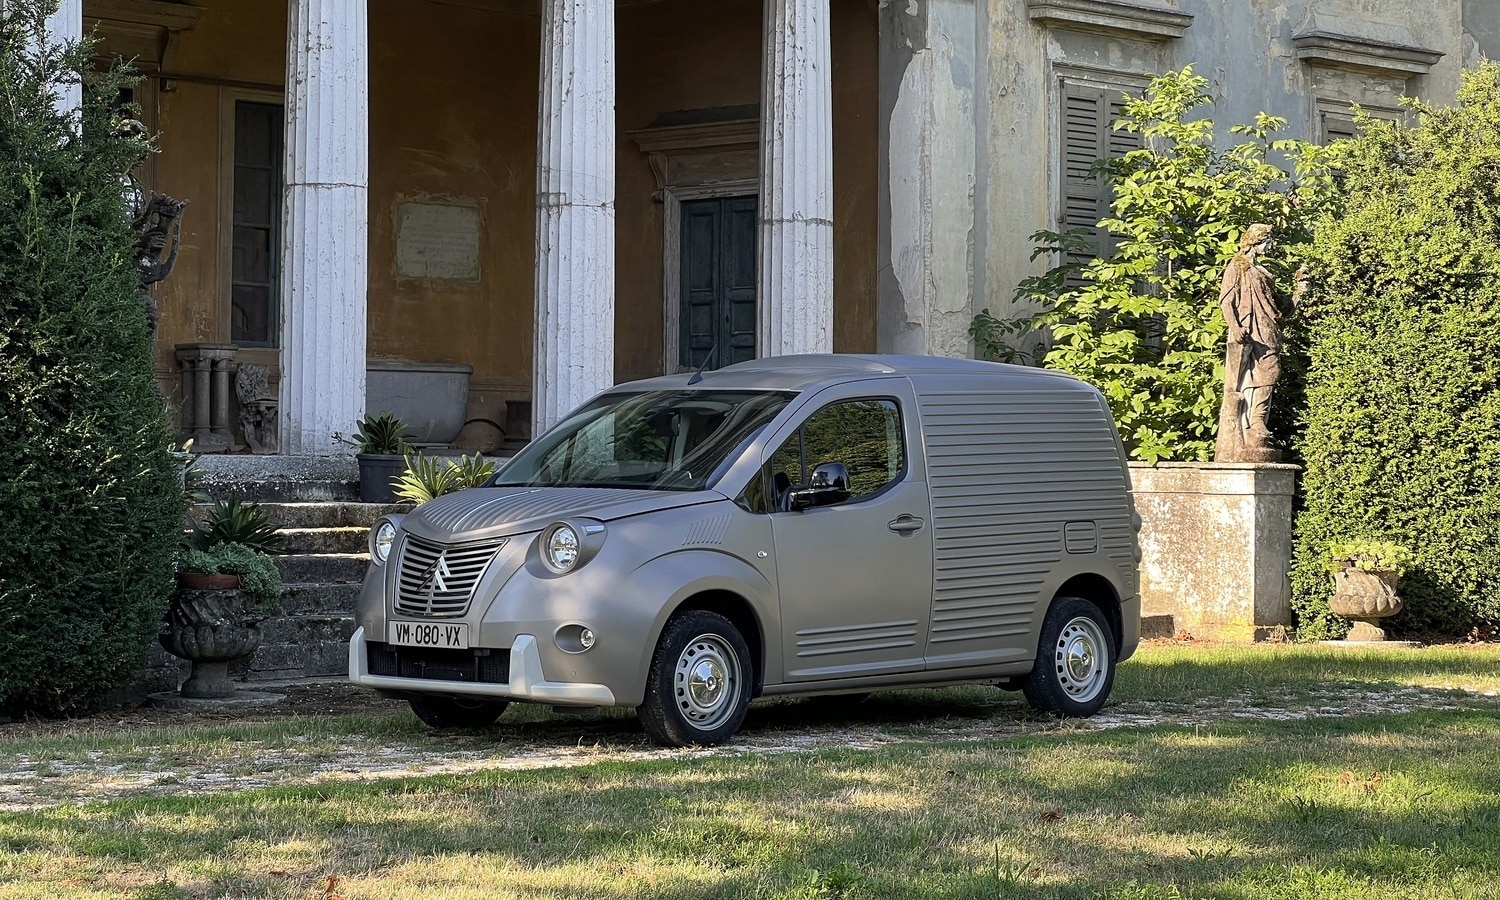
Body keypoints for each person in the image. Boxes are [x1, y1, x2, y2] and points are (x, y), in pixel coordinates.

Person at [1215, 223, 1281, 462]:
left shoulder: (1262, 271)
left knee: (1270, 374)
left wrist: (1299, 292)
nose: (1271, 244)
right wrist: (1234, 325)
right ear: (1256, 240)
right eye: (1268, 239)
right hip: (1249, 330)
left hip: (1268, 330)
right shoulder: (1238, 265)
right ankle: (1252, 423)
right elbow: (1226, 299)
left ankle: (1258, 422)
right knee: (1253, 376)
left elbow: (1281, 309)